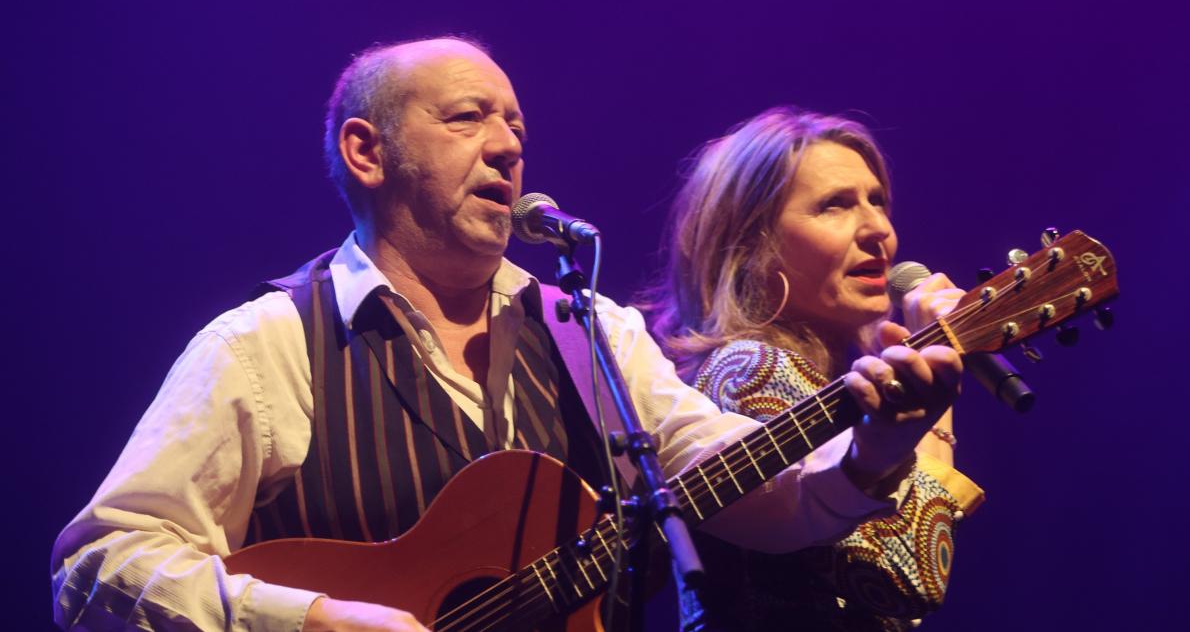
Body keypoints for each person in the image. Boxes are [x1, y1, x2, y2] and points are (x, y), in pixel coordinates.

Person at [51, 39, 963, 632]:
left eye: (516, 124)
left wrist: (874, 449)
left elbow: (741, 486)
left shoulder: (588, 330)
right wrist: (314, 618)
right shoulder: (267, 344)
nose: (507, 144)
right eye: (466, 119)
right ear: (367, 153)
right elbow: (103, 562)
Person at [642, 106, 985, 631]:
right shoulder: (749, 368)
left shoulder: (812, 377)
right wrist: (935, 389)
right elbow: (908, 575)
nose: (878, 230)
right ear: (756, 246)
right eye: (834, 206)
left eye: (879, 201)